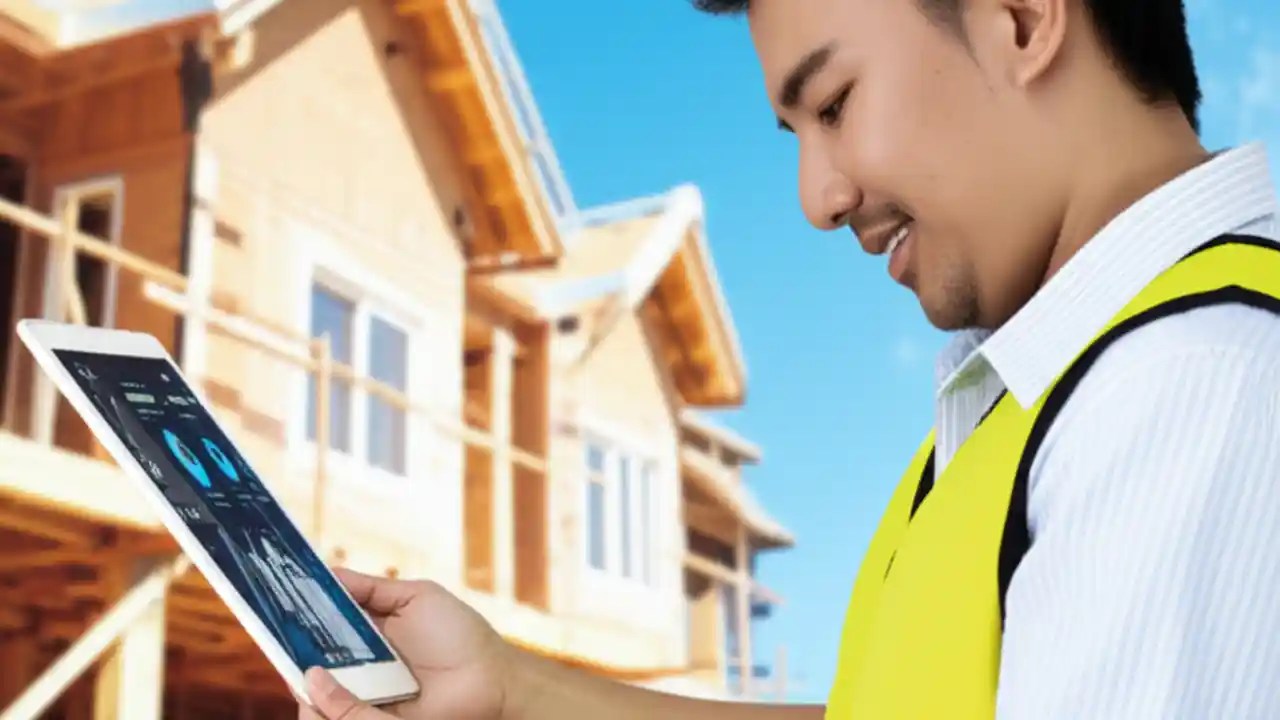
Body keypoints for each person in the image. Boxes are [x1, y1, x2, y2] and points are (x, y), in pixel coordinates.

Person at [299, 0, 1280, 717]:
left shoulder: (1191, 387)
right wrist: (513, 691)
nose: (816, 196)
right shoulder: (1050, 398)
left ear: (1021, 21)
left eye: (835, 103)